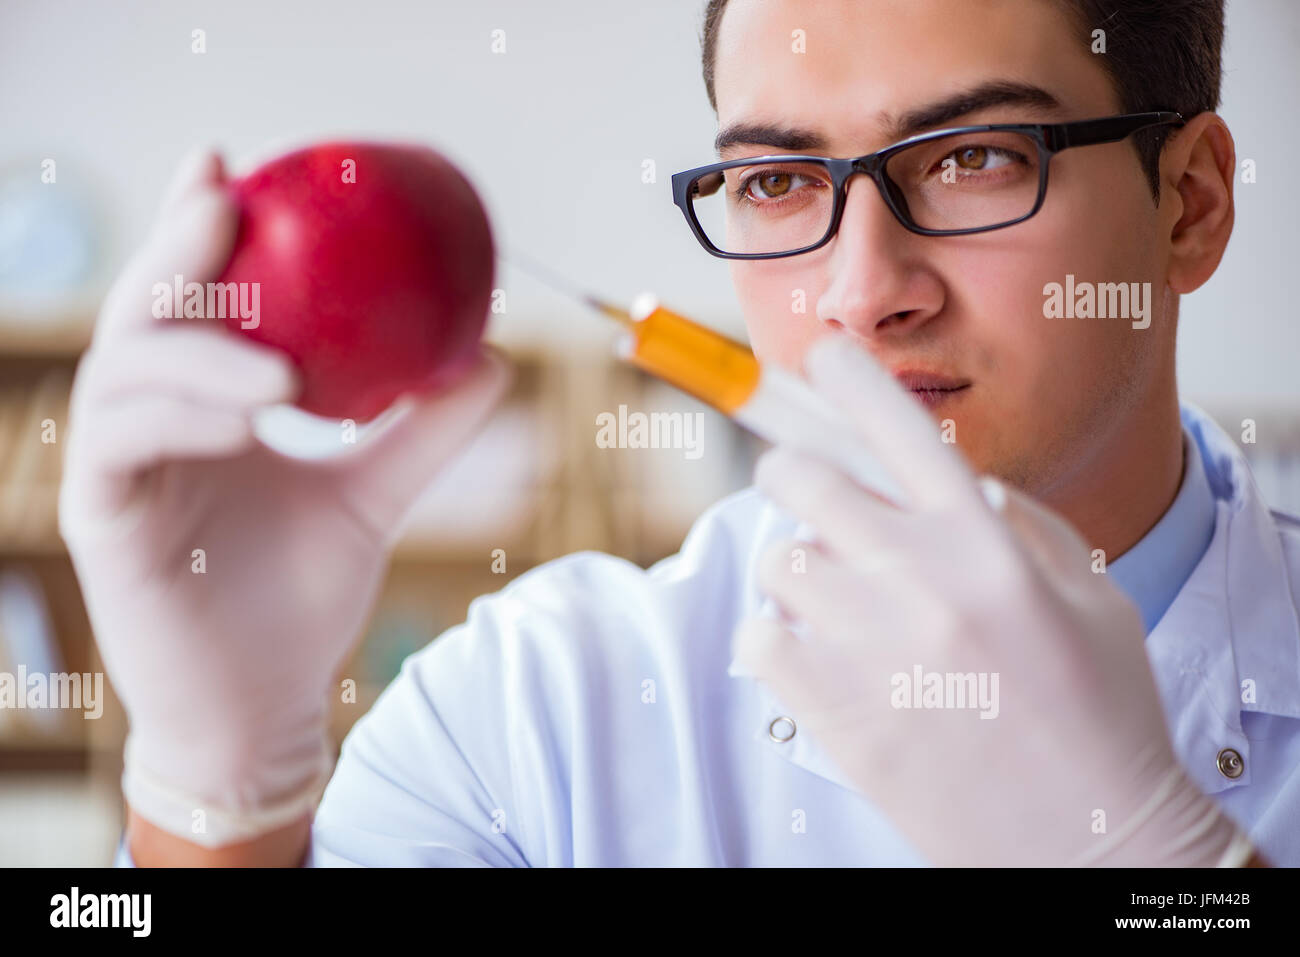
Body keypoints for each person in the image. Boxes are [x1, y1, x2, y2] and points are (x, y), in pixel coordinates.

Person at [67, 0, 1295, 867]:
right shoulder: (531, 715)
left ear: (1188, 205)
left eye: (974, 157)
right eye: (776, 181)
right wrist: (215, 799)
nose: (862, 289)